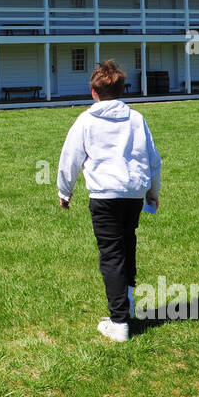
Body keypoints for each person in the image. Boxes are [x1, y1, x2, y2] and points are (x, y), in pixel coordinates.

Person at [57, 59, 162, 342]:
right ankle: (126, 304)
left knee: (112, 255)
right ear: (122, 89)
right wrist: (153, 191)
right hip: (132, 195)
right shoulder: (136, 119)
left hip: (104, 196)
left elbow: (70, 159)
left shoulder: (86, 121)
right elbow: (152, 160)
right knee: (128, 246)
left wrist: (64, 191)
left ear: (94, 92)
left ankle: (118, 322)